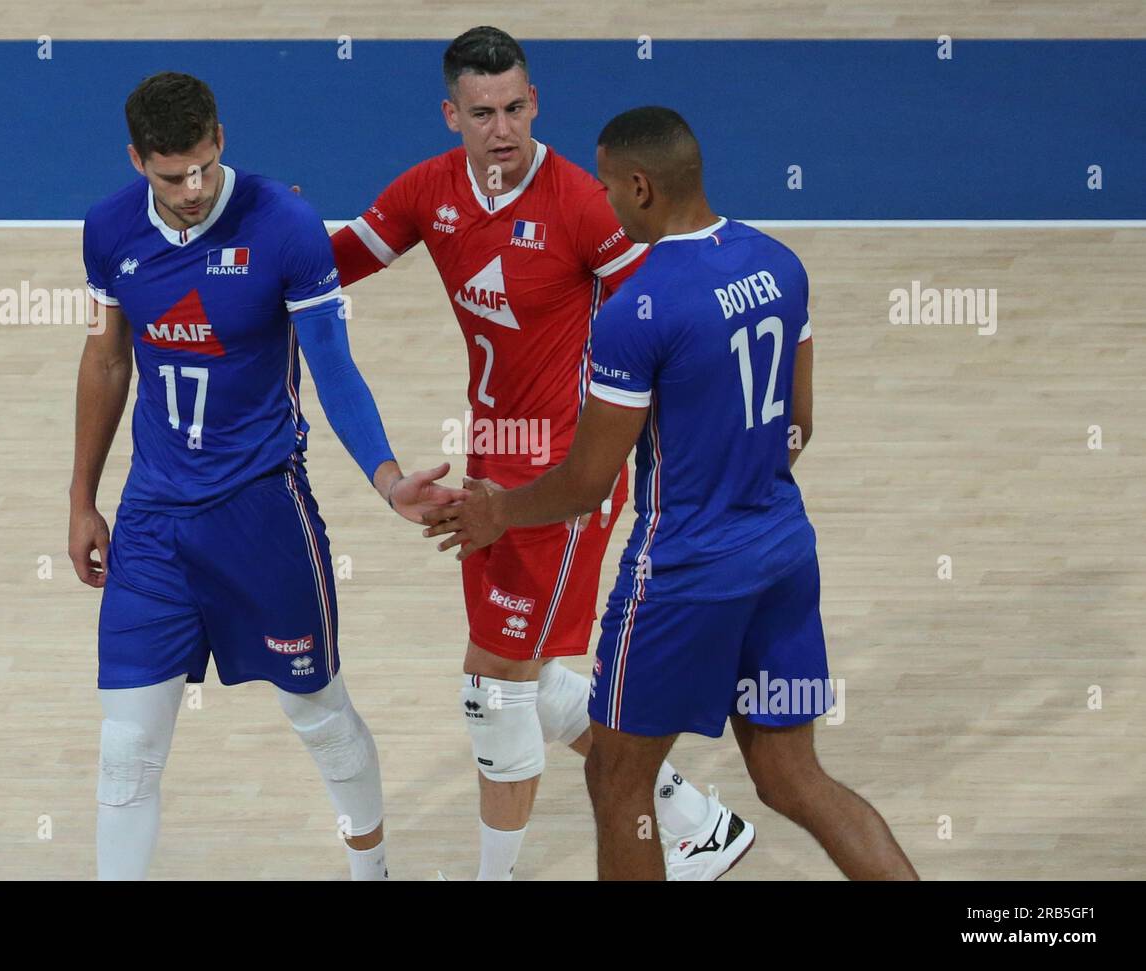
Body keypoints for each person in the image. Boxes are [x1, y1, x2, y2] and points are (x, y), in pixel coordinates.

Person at [428, 106, 918, 881]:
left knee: (617, 776)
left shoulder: (634, 312)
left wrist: (497, 511)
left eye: (607, 185)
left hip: (682, 575)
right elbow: (801, 422)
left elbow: (588, 480)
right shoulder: (779, 263)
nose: (602, 201)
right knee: (794, 778)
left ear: (641, 186)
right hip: (784, 554)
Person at [331, 28, 752, 880]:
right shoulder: (428, 191)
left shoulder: (581, 203)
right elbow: (329, 265)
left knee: (495, 687)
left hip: (567, 479)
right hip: (487, 469)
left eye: (516, 107)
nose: (502, 127)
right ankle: (696, 820)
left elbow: (665, 313)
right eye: (482, 112)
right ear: (452, 115)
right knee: (536, 679)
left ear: (536, 105)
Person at [69, 71, 460, 880]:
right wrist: (82, 499)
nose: (191, 188)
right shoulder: (108, 229)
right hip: (151, 521)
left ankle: (372, 866)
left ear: (219, 139)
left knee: (318, 714)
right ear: (137, 159)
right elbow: (108, 357)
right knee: (126, 751)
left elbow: (333, 368)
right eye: (170, 174)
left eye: (203, 166)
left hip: (262, 513)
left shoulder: (284, 225)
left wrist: (388, 481)